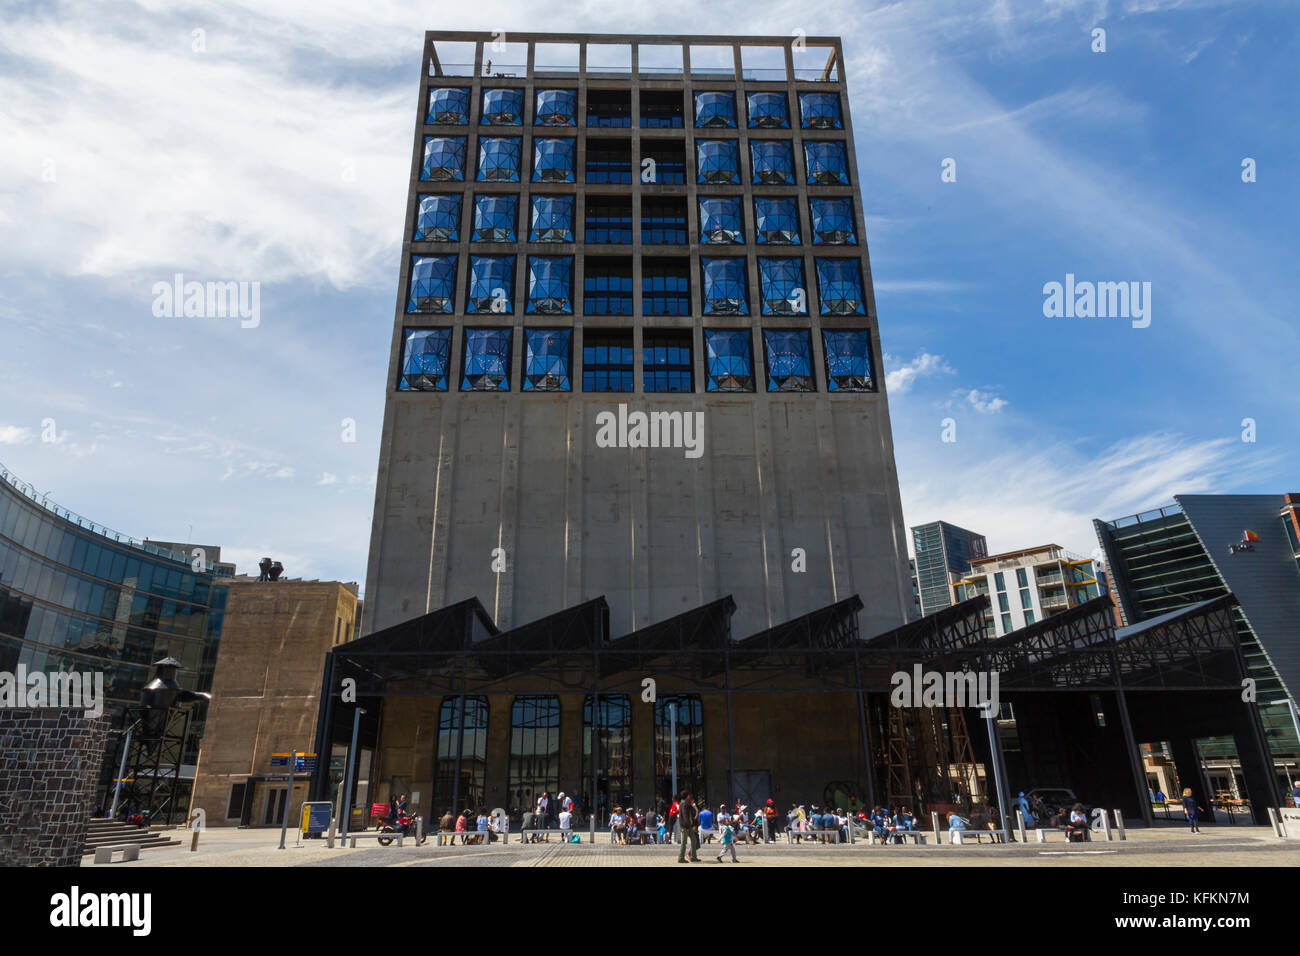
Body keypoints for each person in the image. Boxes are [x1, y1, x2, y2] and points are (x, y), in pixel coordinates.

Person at [677, 792, 700, 862]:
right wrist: (689, 825)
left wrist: (693, 805)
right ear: (687, 796)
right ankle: (681, 858)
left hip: (688, 826)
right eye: (689, 795)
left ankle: (693, 857)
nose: (690, 796)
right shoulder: (684, 804)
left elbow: (694, 811)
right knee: (684, 842)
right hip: (685, 826)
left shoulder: (685, 803)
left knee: (694, 840)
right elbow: (685, 816)